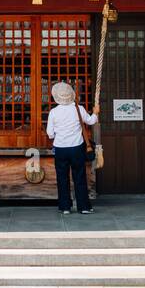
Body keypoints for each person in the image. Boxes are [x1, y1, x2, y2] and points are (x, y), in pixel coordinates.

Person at [45, 80, 98, 214]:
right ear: (71, 95)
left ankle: (65, 207)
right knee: (79, 177)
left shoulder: (53, 112)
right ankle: (84, 207)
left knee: (62, 178)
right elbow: (91, 121)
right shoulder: (78, 109)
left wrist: (59, 132)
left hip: (61, 149)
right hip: (76, 148)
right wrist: (96, 112)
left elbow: (50, 134)